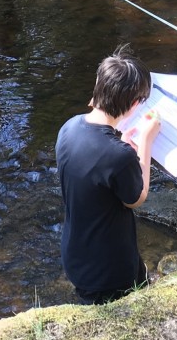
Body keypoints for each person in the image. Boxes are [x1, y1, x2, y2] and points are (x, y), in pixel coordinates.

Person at [56, 46, 161, 305]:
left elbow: (96, 171)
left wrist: (123, 143)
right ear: (135, 104)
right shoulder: (120, 156)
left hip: (76, 255)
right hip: (111, 269)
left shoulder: (69, 127)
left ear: (97, 84)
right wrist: (145, 142)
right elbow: (136, 198)